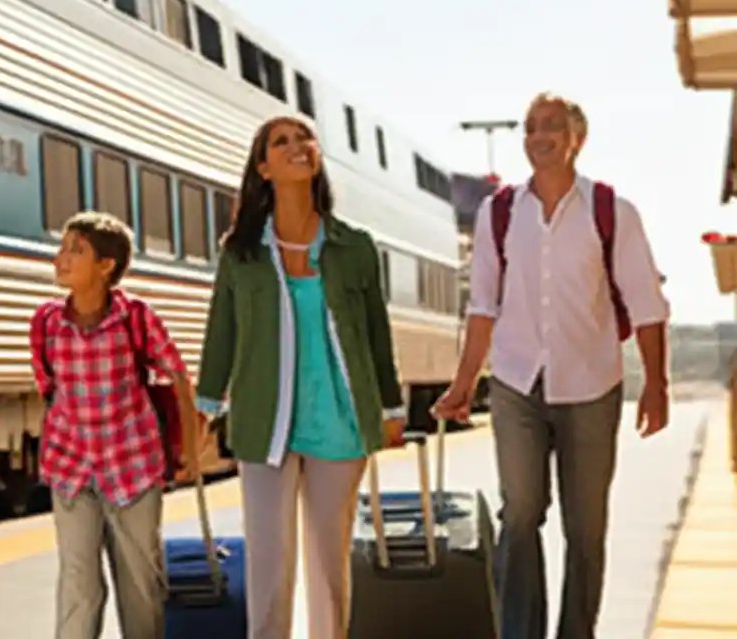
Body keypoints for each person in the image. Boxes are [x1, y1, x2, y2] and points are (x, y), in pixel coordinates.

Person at [433, 92, 670, 639]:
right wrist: (464, 383)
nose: (539, 136)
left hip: (591, 384)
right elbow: (483, 306)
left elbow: (646, 304)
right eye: (531, 127)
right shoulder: (498, 214)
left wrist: (657, 384)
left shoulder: (613, 211)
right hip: (517, 382)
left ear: (576, 140)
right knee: (519, 514)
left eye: (552, 127)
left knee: (585, 529)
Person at [195, 116, 406, 639]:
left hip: (339, 420)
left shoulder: (354, 246)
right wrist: (204, 406)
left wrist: (391, 408)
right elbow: (220, 328)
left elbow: (377, 333)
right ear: (263, 168)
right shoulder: (240, 252)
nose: (297, 146)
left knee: (328, 565)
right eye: (281, 141)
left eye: (304, 138)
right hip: (264, 420)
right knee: (269, 564)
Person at [28, 211, 201, 639]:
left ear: (106, 267)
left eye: (76, 250)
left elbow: (178, 375)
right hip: (71, 468)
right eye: (62, 248)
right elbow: (49, 389)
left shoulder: (136, 318)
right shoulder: (47, 324)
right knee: (78, 583)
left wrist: (191, 451)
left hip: (133, 464)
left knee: (141, 584)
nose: (61, 259)